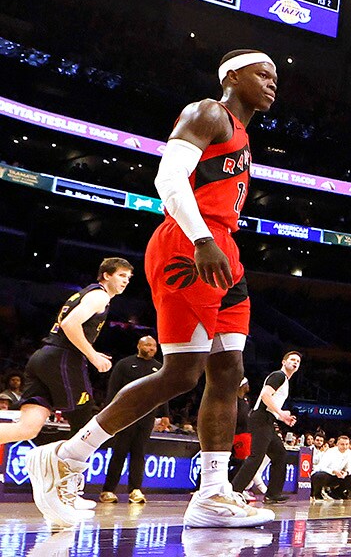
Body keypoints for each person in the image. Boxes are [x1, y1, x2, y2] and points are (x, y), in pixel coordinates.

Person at [26, 50, 278, 529]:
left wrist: (215, 240)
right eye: (262, 74)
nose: (272, 83)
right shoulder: (208, 112)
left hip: (225, 249)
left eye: (275, 77)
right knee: (182, 374)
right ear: (232, 76)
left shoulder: (243, 135)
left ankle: (211, 494)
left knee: (228, 371)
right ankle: (66, 457)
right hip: (189, 244)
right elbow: (167, 177)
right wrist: (203, 237)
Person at [0, 257, 134, 498]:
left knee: (27, 428)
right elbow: (70, 323)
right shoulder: (99, 295)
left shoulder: (85, 294)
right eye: (121, 275)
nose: (126, 281)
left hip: (43, 357)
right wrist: (92, 355)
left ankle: (61, 482)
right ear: (106, 275)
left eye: (128, 277)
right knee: (85, 426)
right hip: (62, 358)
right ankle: (65, 491)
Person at [99, 335, 171, 504]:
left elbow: (164, 392)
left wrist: (165, 414)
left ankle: (135, 490)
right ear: (139, 346)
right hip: (125, 414)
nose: (151, 348)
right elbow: (113, 388)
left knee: (139, 453)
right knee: (119, 452)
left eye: (154, 346)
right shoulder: (124, 364)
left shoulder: (159, 368)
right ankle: (108, 490)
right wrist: (110, 411)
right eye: (147, 345)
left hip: (147, 416)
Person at [230, 351, 300, 501]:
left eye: (298, 361)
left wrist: (283, 417)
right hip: (261, 418)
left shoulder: (285, 380)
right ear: (283, 361)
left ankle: (273, 494)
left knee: (280, 454)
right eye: (292, 359)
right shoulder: (278, 376)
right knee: (256, 456)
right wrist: (281, 414)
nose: (295, 363)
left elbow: (270, 403)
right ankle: (235, 490)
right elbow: (265, 395)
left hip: (267, 419)